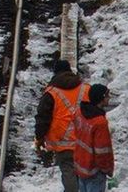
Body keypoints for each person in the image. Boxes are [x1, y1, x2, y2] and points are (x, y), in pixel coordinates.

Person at [35, 60, 90, 192]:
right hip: (85, 140)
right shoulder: (86, 89)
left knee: (68, 171)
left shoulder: (51, 93)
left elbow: (43, 117)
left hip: (63, 143)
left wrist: (39, 137)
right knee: (86, 172)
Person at [70, 84, 114, 192]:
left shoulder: (80, 112)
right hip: (94, 170)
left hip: (81, 165)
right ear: (101, 98)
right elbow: (102, 151)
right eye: (107, 96)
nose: (109, 98)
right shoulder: (100, 122)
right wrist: (107, 168)